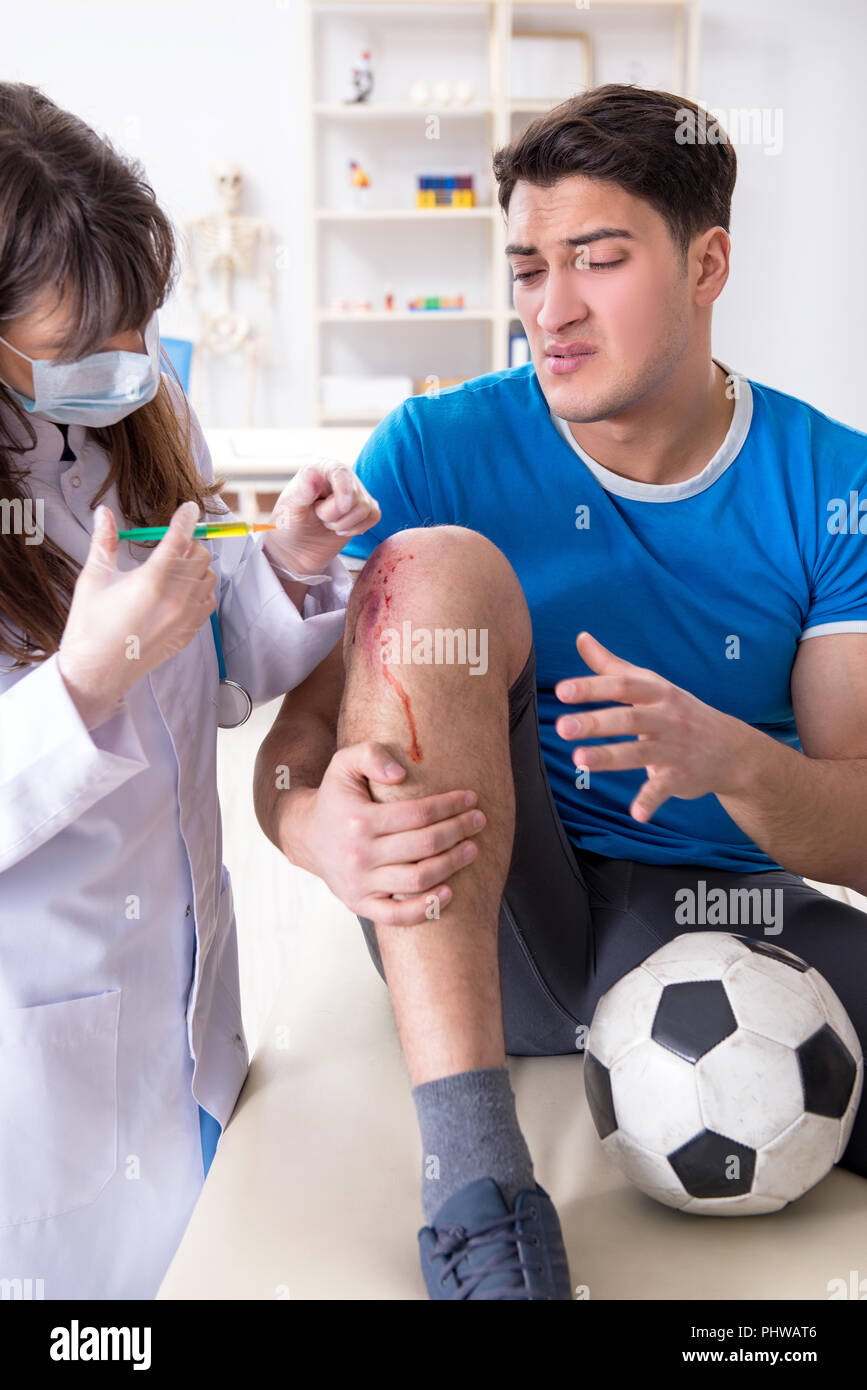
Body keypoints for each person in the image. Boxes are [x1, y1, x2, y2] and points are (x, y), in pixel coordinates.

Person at [254, 84, 867, 1300]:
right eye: (529, 267)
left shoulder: (832, 482)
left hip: (716, 913)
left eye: (597, 259)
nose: (551, 308)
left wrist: (733, 759)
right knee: (436, 565)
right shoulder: (433, 450)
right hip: (495, 907)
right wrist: (311, 823)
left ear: (709, 264)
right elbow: (300, 742)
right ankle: (480, 1204)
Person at [0, 82, 379, 1300]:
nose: (125, 368)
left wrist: (288, 568)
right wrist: (81, 684)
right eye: (76, 351)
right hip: (38, 1058)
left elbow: (211, 670)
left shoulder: (143, 422)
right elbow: (112, 686)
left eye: (138, 328)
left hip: (187, 1012)